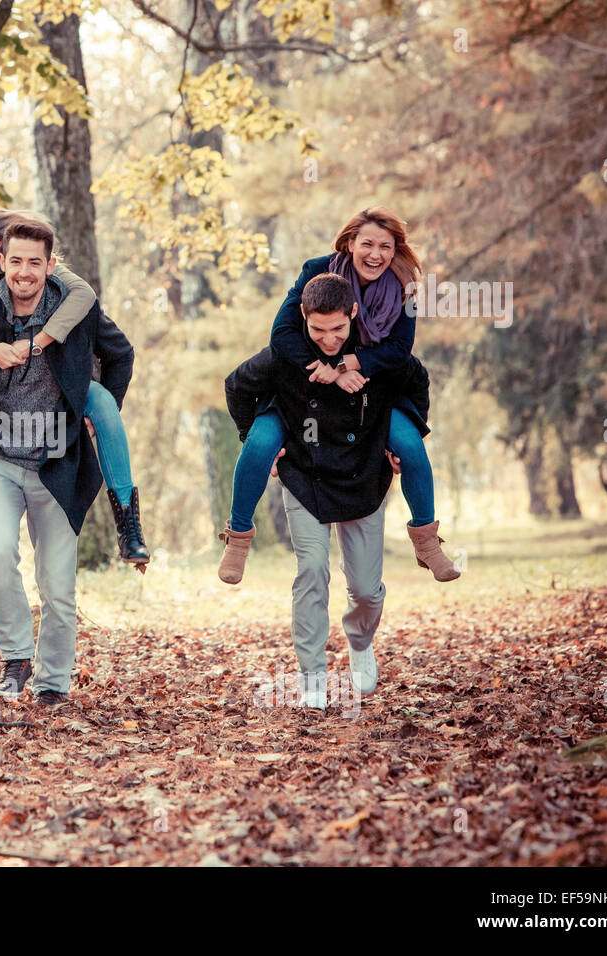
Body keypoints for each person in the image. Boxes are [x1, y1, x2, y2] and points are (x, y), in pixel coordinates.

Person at [0, 218, 135, 706]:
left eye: (34, 262)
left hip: (58, 464)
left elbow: (120, 353)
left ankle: (53, 681)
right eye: (15, 261)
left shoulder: (73, 310)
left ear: (48, 265)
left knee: (58, 586)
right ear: (4, 261)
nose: (23, 270)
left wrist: (99, 412)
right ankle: (15, 659)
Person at [217, 207, 458, 586]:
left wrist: (349, 363)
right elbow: (280, 335)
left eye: (386, 246)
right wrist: (322, 367)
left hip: (374, 386)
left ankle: (427, 541)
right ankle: (238, 538)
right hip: (302, 384)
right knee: (260, 442)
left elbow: (399, 350)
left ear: (396, 250)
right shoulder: (317, 270)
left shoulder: (406, 286)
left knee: (410, 445)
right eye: (367, 244)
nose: (376, 254)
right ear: (349, 243)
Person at [224, 272, 431, 709]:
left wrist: (405, 440)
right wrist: (260, 442)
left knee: (367, 589)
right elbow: (236, 385)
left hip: (363, 475)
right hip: (305, 475)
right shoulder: (288, 353)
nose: (328, 339)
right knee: (313, 570)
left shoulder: (375, 354)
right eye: (317, 330)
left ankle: (360, 642)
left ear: (353, 314)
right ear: (303, 316)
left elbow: (416, 379)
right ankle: (312, 676)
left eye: (337, 329)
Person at [0, 207, 147, 571]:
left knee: (102, 400)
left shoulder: (38, 272)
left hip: (55, 403)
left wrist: (40, 341)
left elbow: (87, 299)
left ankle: (129, 525)